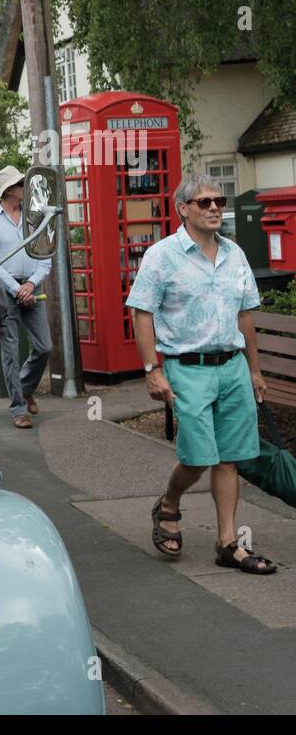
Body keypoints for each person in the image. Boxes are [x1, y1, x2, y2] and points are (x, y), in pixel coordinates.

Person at [127, 174, 277, 575]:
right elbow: (141, 312)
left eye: (219, 201)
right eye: (204, 202)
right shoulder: (163, 255)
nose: (214, 208)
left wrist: (254, 370)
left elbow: (245, 315)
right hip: (187, 368)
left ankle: (228, 542)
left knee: (229, 458)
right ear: (183, 208)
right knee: (197, 458)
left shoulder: (235, 254)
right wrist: (151, 369)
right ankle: (170, 502)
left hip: (231, 367)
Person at [0, 165, 52, 429]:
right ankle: (19, 408)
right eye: (22, 183)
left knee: (44, 347)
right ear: (10, 190)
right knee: (9, 352)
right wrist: (16, 289)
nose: (26, 187)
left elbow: (45, 257)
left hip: (32, 289)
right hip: (5, 292)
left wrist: (31, 285)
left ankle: (25, 387)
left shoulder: (34, 217)